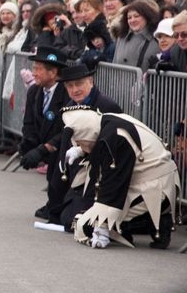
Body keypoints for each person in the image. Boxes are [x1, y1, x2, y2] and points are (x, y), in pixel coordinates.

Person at [58, 106, 178, 248]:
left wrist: (101, 225)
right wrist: (81, 151)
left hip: (155, 189)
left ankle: (150, 222)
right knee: (84, 217)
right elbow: (97, 141)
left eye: (80, 142)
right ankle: (151, 221)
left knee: (86, 225)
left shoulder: (116, 137)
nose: (79, 144)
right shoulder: (107, 121)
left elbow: (113, 185)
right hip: (149, 182)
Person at [35, 62, 122, 224]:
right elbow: (63, 134)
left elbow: (114, 143)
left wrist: (83, 151)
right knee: (56, 170)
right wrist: (44, 149)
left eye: (79, 84)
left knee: (70, 218)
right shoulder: (70, 106)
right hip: (75, 163)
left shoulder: (107, 106)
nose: (75, 90)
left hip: (99, 168)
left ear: (91, 82)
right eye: (70, 86)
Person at [17, 47, 71, 170]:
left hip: (64, 154)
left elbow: (68, 130)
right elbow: (29, 123)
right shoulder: (34, 91)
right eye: (33, 68)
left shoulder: (68, 94)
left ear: (52, 73)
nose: (33, 73)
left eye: (38, 69)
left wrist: (43, 149)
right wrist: (29, 143)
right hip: (48, 155)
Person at [111, 0, 159, 68]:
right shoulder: (122, 38)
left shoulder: (156, 38)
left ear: (146, 17)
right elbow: (114, 63)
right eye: (129, 18)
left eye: (136, 16)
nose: (132, 20)